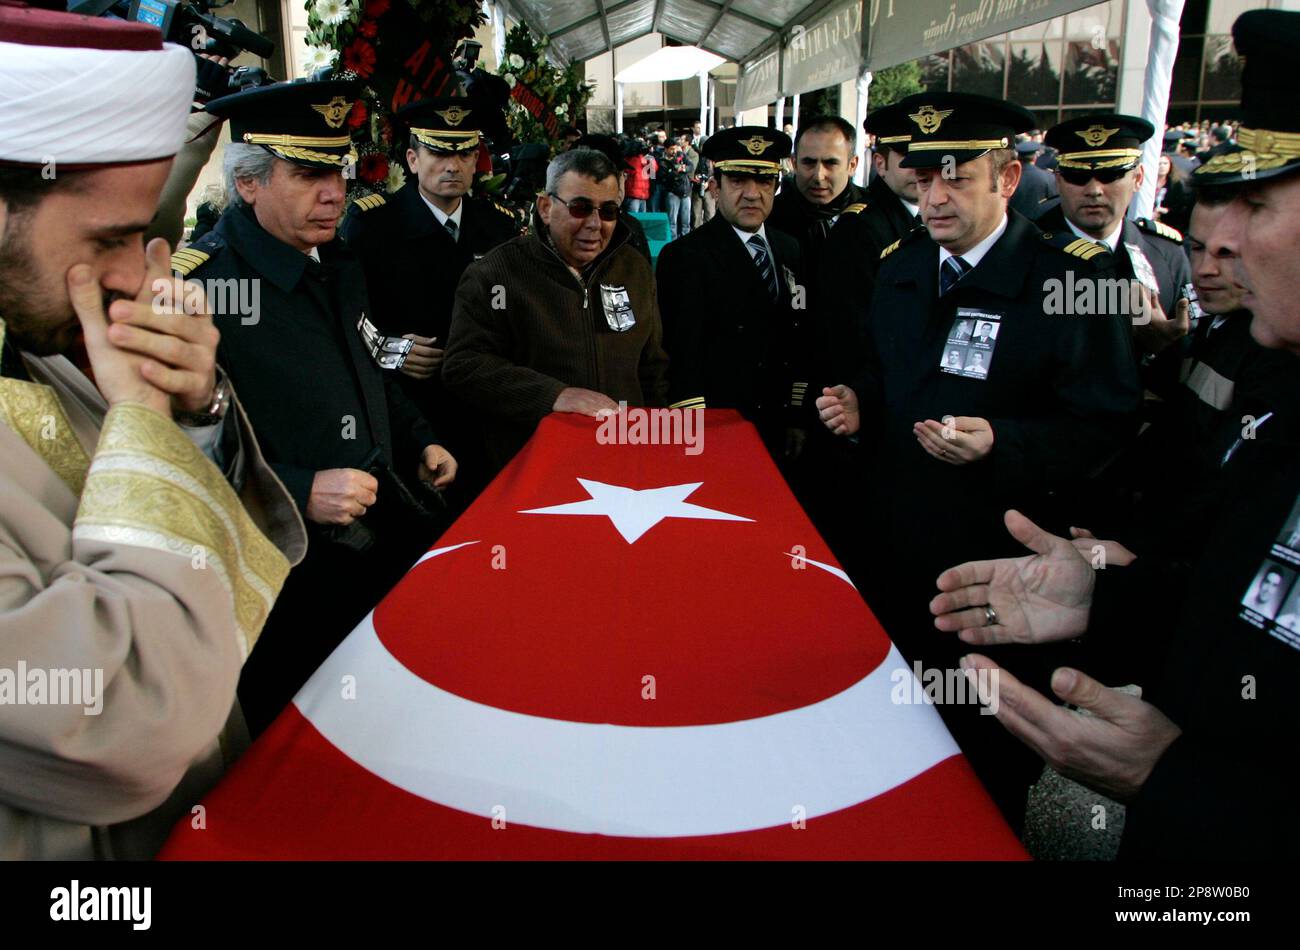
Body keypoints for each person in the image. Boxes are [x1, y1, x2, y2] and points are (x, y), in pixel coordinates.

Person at [929, 9, 1300, 859]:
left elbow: (1106, 407)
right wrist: (1115, 595)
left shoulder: (1153, 264)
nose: (1224, 254)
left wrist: (1179, 783)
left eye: (1258, 206)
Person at [0, 3, 303, 859]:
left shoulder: (41, 340)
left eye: (148, 234)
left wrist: (195, 408)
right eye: (113, 236)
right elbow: (128, 718)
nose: (138, 273)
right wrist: (140, 417)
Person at [815, 91, 1142, 827]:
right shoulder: (901, 267)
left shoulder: (1076, 279)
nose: (933, 197)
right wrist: (862, 401)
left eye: (956, 178)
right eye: (923, 177)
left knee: (984, 768)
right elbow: (887, 369)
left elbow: (1107, 426)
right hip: (894, 556)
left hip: (997, 576)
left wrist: (1006, 443)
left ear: (1008, 176)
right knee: (894, 749)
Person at [176, 79, 458, 735]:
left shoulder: (339, 261)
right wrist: (296, 488)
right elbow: (172, 455)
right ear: (249, 183)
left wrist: (418, 439)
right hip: (286, 589)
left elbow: (364, 369)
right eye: (307, 174)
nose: (334, 190)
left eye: (336, 169)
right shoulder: (201, 289)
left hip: (377, 553)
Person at [442, 148, 669, 470]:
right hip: (535, 467)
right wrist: (554, 396)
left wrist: (657, 443)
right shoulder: (496, 274)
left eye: (608, 211)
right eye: (580, 208)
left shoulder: (633, 269)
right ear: (546, 207)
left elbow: (652, 368)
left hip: (625, 460)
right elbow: (464, 366)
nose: (595, 224)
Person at [339, 96, 518, 501]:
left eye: (463, 154)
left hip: (482, 406)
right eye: (437, 153)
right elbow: (348, 313)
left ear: (476, 161)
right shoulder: (373, 226)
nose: (451, 166)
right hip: (413, 407)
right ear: (412, 159)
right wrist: (387, 347)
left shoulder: (497, 226)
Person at [655, 126, 808, 461]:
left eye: (764, 181)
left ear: (776, 186)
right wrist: (697, 431)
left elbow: (799, 337)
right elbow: (681, 356)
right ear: (715, 187)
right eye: (738, 181)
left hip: (779, 423)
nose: (752, 194)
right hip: (721, 430)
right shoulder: (685, 257)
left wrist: (797, 415)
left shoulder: (790, 248)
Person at [1036, 114, 1192, 393]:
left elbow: (1186, 363)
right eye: (1077, 176)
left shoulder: (1167, 254)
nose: (1094, 190)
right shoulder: (1022, 248)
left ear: (1138, 178)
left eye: (1110, 175)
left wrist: (1156, 348)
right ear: (1058, 180)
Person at [817, 102, 925, 381]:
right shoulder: (859, 227)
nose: (918, 167)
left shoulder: (935, 220)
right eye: (906, 156)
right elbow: (850, 330)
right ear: (881, 164)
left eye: (927, 155)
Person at [767, 115, 869, 270]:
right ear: (794, 163)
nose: (818, 176)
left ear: (852, 165)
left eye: (830, 163)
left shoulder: (876, 215)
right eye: (809, 162)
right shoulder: (769, 218)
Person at [1008, 139, 1056, 219]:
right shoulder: (1048, 176)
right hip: (1039, 224)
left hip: (1013, 222)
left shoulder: (1009, 177)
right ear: (1035, 157)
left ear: (1018, 157)